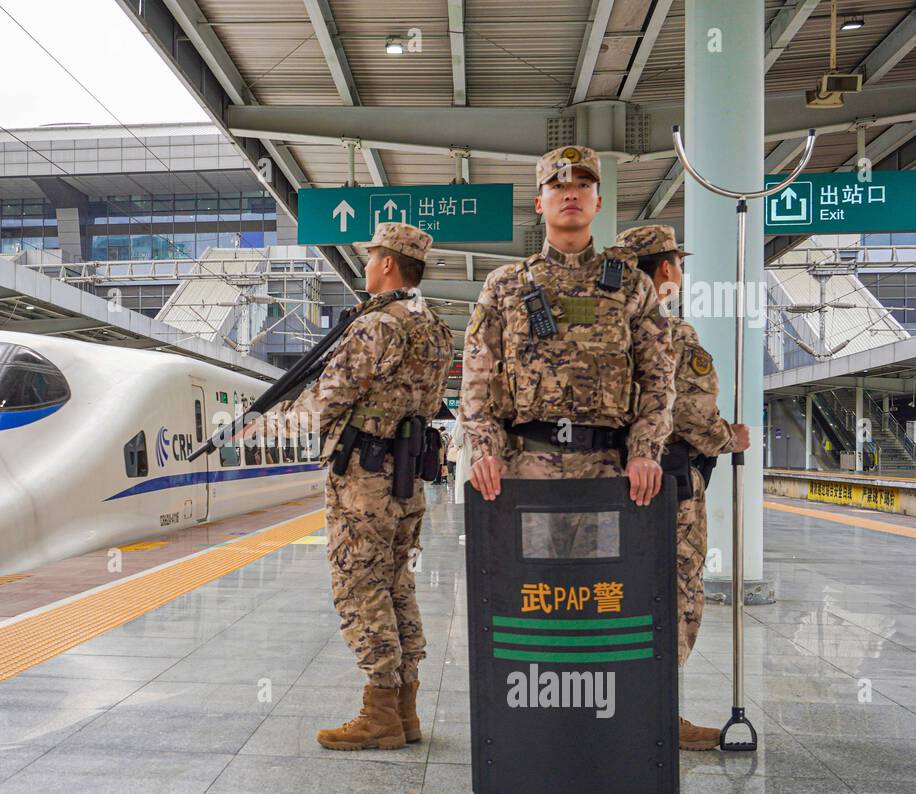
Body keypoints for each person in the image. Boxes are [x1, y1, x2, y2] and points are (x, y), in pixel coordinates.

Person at [249, 221, 454, 750]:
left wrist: (263, 429)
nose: (366, 267)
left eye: (370, 258)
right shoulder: (434, 326)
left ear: (387, 263)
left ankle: (380, 710)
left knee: (359, 584)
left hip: (365, 477)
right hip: (407, 475)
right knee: (397, 584)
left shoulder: (377, 325)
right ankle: (405, 708)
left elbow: (328, 400)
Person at [460, 145, 674, 532]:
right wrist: (486, 452)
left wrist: (645, 453)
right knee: (530, 590)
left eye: (583, 185)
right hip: (524, 470)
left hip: (610, 471)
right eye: (558, 186)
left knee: (603, 589)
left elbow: (658, 378)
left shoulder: (632, 286)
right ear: (539, 202)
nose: (571, 193)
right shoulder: (505, 284)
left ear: (599, 202)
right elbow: (477, 378)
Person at [615, 224, 751, 750]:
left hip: (609, 482)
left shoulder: (605, 331)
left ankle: (610, 703)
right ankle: (656, 715)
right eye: (677, 262)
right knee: (676, 594)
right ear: (666, 269)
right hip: (670, 486)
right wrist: (729, 438)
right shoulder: (673, 334)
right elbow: (693, 417)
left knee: (620, 593)